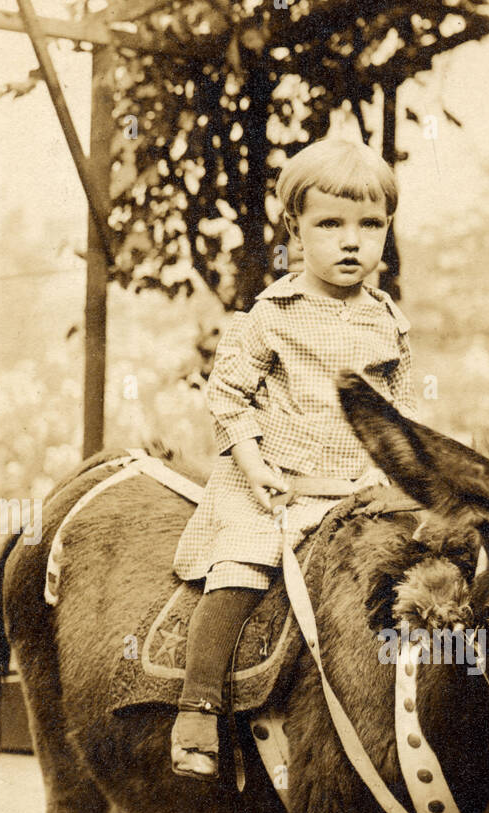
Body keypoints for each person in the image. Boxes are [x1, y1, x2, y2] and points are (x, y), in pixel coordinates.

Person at [171, 138, 415, 778]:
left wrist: (385, 471)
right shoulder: (273, 315)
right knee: (241, 569)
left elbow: (396, 411)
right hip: (272, 482)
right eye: (330, 225)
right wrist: (252, 464)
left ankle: (379, 721)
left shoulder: (386, 322)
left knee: (408, 571)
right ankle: (197, 705)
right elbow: (228, 393)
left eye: (370, 225)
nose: (351, 242)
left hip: (352, 487)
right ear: (296, 230)